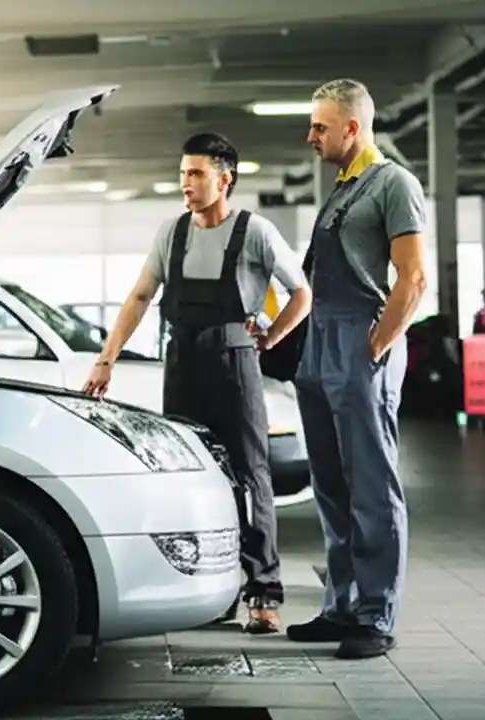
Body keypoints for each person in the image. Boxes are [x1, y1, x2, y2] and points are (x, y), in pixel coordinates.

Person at [82, 132, 312, 634]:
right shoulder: (172, 233)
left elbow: (302, 293)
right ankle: (203, 589)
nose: (185, 183)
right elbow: (140, 296)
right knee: (188, 473)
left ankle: (263, 593)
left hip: (235, 362)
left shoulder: (256, 231)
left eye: (196, 173)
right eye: (183, 173)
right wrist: (106, 359)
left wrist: (271, 337)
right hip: (182, 361)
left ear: (224, 179)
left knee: (250, 476)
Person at [284, 78, 429, 659]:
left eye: (319, 127)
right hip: (320, 344)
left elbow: (413, 278)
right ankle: (341, 607)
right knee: (331, 485)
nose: (311, 136)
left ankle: (375, 615)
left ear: (352, 127)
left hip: (360, 342)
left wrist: (375, 347)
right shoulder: (342, 188)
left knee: (370, 484)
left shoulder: (394, 183)